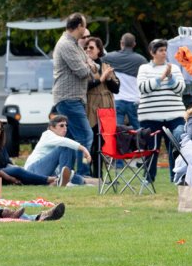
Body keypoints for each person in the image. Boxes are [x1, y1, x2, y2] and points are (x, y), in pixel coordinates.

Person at [137, 38, 186, 183]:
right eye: (161, 50)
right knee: (151, 149)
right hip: (150, 116)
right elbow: (143, 88)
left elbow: (180, 89)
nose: (164, 53)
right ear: (153, 53)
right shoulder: (144, 69)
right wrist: (161, 77)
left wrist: (170, 77)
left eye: (165, 50)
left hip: (174, 115)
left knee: (176, 147)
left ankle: (176, 177)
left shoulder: (174, 69)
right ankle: (149, 178)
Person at [52, 13, 95, 172]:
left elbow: (92, 65)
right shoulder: (66, 45)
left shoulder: (75, 44)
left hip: (73, 98)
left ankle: (66, 173)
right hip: (68, 98)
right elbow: (83, 71)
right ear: (79, 27)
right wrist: (88, 64)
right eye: (84, 25)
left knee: (69, 140)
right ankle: (83, 174)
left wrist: (89, 64)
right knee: (85, 135)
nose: (85, 29)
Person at [0, 116, 55, 186]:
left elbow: (8, 163)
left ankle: (50, 182)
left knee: (19, 171)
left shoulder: (0, 146)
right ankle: (48, 180)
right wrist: (10, 178)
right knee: (17, 171)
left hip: (3, 173)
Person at [83, 36, 118, 182]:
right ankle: (94, 176)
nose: (88, 50)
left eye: (91, 47)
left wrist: (108, 78)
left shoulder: (106, 65)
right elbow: (84, 86)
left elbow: (116, 88)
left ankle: (100, 175)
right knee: (93, 141)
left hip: (107, 107)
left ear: (99, 49)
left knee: (105, 142)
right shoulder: (83, 65)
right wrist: (101, 78)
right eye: (85, 48)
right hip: (91, 106)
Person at [23, 115, 88, 186]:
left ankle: (67, 179)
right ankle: (65, 181)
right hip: (32, 171)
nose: (65, 128)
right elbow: (65, 142)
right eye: (61, 126)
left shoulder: (59, 140)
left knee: (80, 180)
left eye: (66, 125)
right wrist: (84, 149)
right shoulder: (47, 135)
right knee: (66, 146)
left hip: (47, 173)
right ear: (52, 128)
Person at [102, 33, 148, 130]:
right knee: (139, 130)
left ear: (121, 43)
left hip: (118, 99)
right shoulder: (141, 60)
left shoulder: (109, 57)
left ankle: (118, 145)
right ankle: (140, 145)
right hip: (135, 100)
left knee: (116, 130)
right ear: (134, 44)